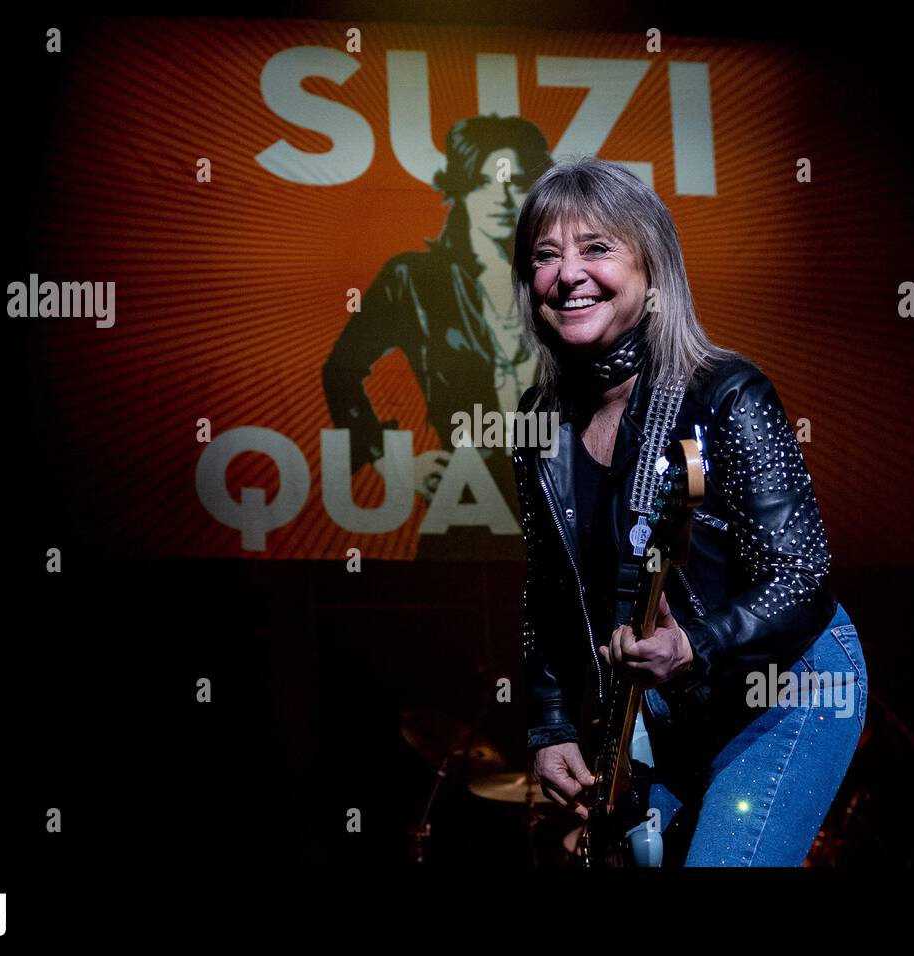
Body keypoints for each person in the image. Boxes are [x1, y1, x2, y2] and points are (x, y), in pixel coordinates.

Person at [510, 156, 868, 866]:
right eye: (545, 256)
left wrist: (695, 645)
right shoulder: (537, 424)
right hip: (667, 706)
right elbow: (549, 587)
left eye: (597, 248)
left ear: (654, 270)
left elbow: (801, 576)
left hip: (791, 684)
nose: (568, 274)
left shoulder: (725, 393)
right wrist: (551, 726)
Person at [321, 114, 553, 560]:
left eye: (518, 182)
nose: (504, 198)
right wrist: (390, 458)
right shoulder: (414, 279)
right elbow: (341, 371)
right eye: (486, 182)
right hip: (466, 509)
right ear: (460, 190)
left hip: (560, 513)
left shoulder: (566, 280)